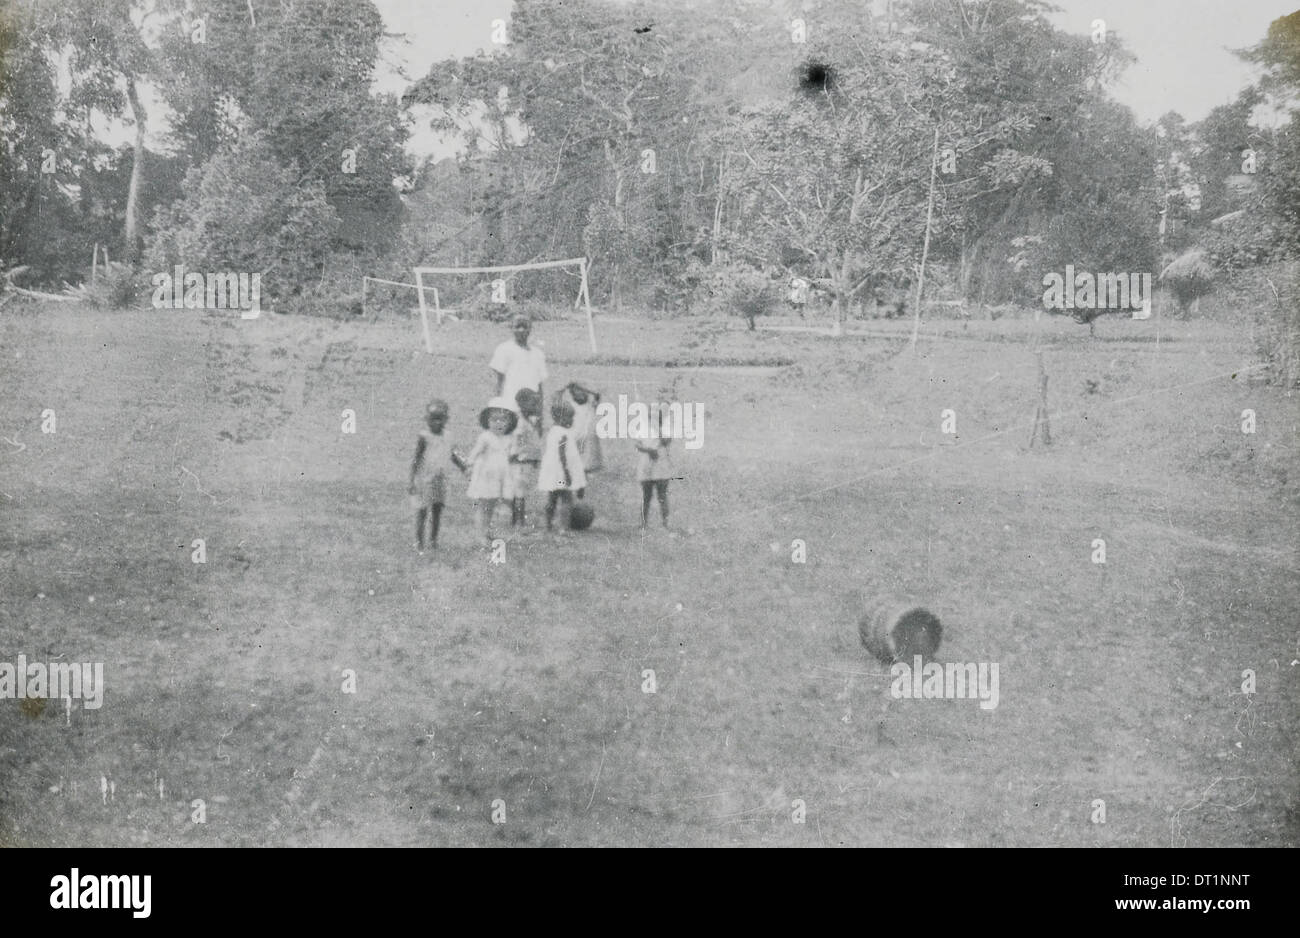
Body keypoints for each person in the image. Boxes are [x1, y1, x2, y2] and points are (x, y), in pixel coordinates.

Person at [408, 399, 468, 553]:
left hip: (440, 479)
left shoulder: (448, 436)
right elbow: (416, 459)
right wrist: (411, 480)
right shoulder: (424, 436)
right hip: (425, 478)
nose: (436, 422)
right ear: (427, 419)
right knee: (422, 511)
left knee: (437, 510)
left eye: (439, 418)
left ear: (445, 420)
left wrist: (463, 466)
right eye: (432, 418)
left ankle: (433, 540)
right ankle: (419, 543)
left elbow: (453, 454)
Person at [465, 397, 519, 547]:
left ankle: (488, 530)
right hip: (486, 476)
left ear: (509, 422)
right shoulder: (485, 437)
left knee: (494, 504)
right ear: (487, 421)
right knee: (484, 505)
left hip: (500, 476)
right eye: (494, 420)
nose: (499, 424)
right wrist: (469, 464)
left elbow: (512, 456)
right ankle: (480, 534)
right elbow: (475, 453)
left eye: (503, 420)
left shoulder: (509, 439)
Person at [537, 399, 587, 532]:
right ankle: (562, 527)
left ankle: (548, 525)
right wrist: (567, 473)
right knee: (566, 498)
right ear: (558, 417)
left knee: (552, 498)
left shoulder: (553, 430)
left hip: (553, 474)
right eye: (569, 417)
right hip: (561, 474)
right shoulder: (563, 433)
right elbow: (562, 454)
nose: (571, 421)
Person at [489, 314, 547, 406]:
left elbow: (539, 385)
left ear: (530, 329)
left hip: (530, 406)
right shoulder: (504, 349)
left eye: (525, 327)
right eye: (517, 326)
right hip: (509, 402)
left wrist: (539, 409)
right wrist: (496, 404)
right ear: (511, 328)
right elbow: (498, 381)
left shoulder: (538, 354)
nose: (521, 330)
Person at [635, 403, 674, 530]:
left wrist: (659, 429)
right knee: (646, 496)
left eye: (658, 414)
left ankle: (665, 523)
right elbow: (638, 445)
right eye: (652, 414)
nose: (654, 416)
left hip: (661, 464)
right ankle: (643, 523)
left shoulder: (666, 428)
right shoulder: (643, 427)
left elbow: (666, 441)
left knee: (662, 495)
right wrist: (648, 450)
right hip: (646, 463)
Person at [509, 388, 544, 529]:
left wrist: (535, 458)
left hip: (527, 460)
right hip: (521, 461)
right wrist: (514, 455)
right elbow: (516, 441)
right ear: (522, 404)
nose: (537, 407)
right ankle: (518, 522)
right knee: (519, 492)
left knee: (520, 490)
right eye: (534, 404)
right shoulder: (520, 422)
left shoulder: (528, 420)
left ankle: (516, 520)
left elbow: (533, 442)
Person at [562, 382, 604, 479]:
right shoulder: (571, 405)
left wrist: (586, 390)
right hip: (575, 434)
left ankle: (585, 471)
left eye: (583, 394)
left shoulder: (590, 405)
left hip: (586, 434)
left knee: (588, 455)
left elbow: (597, 396)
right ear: (573, 396)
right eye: (577, 394)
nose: (582, 397)